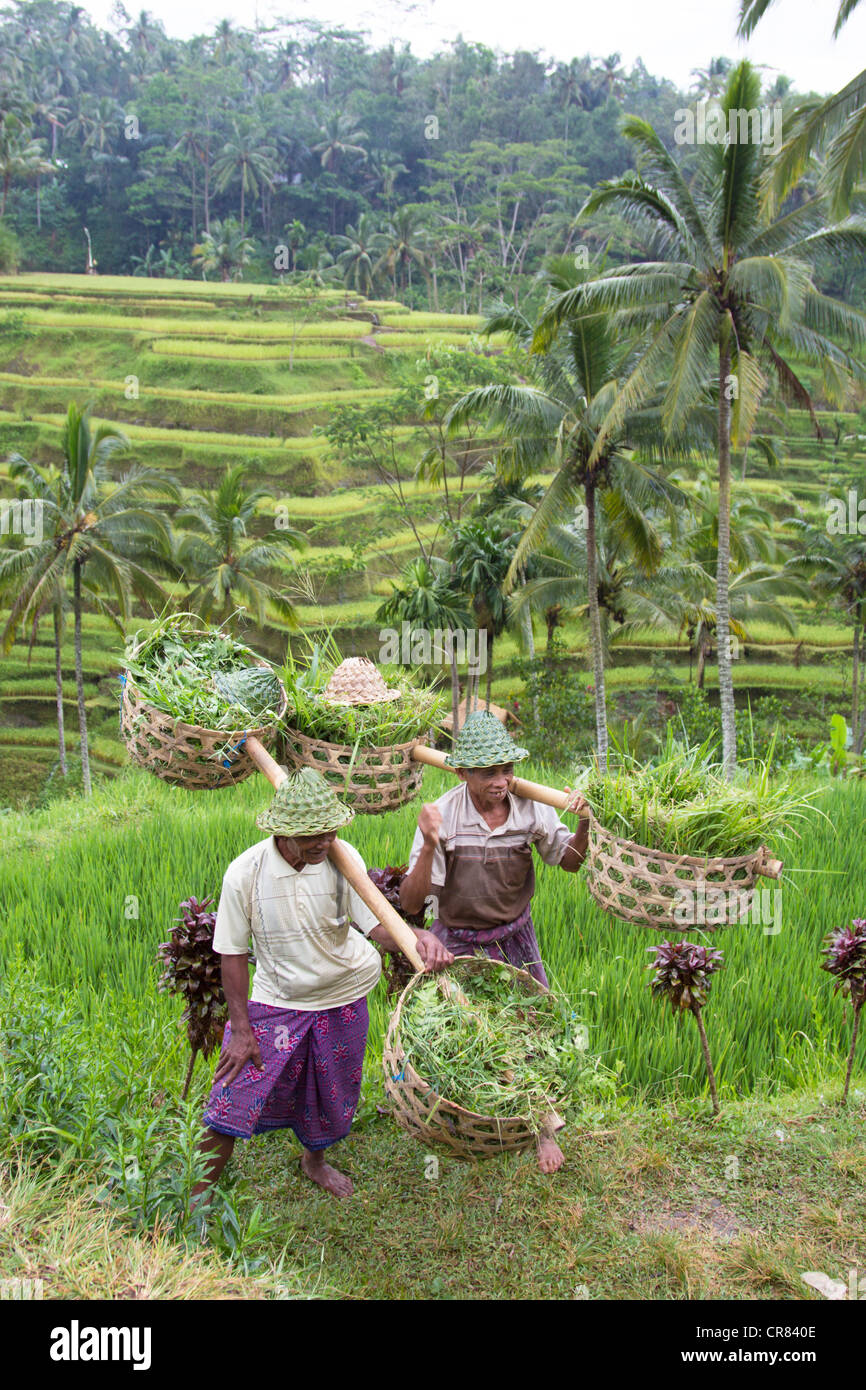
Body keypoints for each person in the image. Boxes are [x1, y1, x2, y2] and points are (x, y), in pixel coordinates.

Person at [193, 768, 453, 1204]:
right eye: (311, 834)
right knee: (231, 1095)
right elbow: (233, 953)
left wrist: (417, 936)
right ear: (283, 831)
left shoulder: (340, 857)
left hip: (343, 996)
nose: (323, 842)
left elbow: (379, 929)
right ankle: (197, 1198)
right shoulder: (246, 873)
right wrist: (240, 1028)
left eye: (329, 831)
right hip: (279, 1001)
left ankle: (315, 1161)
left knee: (331, 1092)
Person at [400, 710, 588, 1174]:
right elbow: (410, 901)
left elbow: (568, 862)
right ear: (463, 772)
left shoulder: (531, 808)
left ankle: (541, 1126)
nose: (502, 781)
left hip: (514, 935)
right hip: (456, 938)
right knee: (458, 1033)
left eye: (507, 769)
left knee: (530, 1028)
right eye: (488, 772)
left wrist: (585, 822)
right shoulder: (444, 815)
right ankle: (458, 1116)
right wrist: (428, 844)